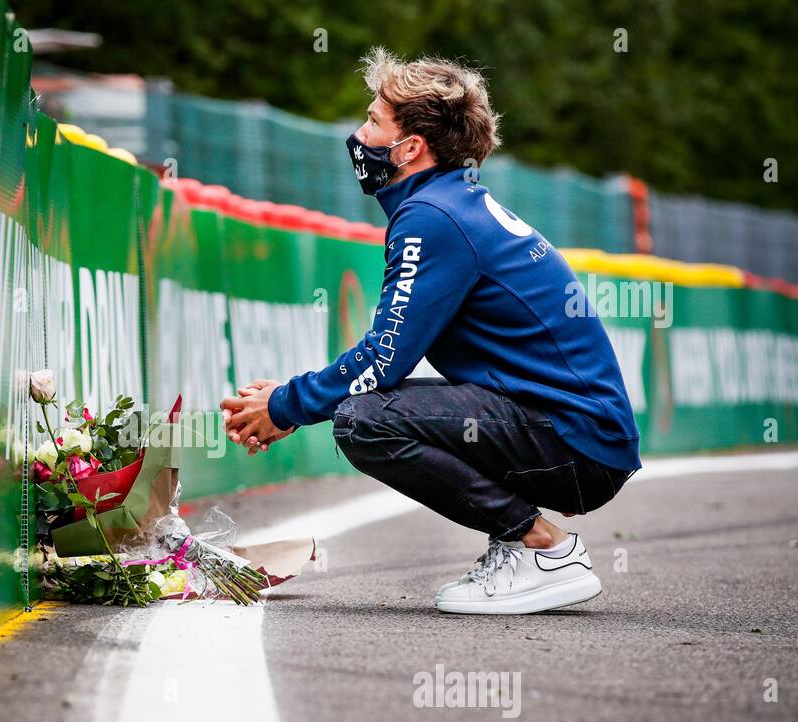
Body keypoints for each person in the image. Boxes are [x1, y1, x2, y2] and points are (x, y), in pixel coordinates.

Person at [220, 49, 640, 614]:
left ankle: (541, 548)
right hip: (576, 434)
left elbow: (385, 358)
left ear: (411, 146)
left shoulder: (431, 217)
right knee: (372, 412)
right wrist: (292, 400)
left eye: (373, 121)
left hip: (576, 443)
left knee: (365, 422)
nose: (359, 133)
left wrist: (287, 404)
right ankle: (520, 545)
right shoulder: (448, 204)